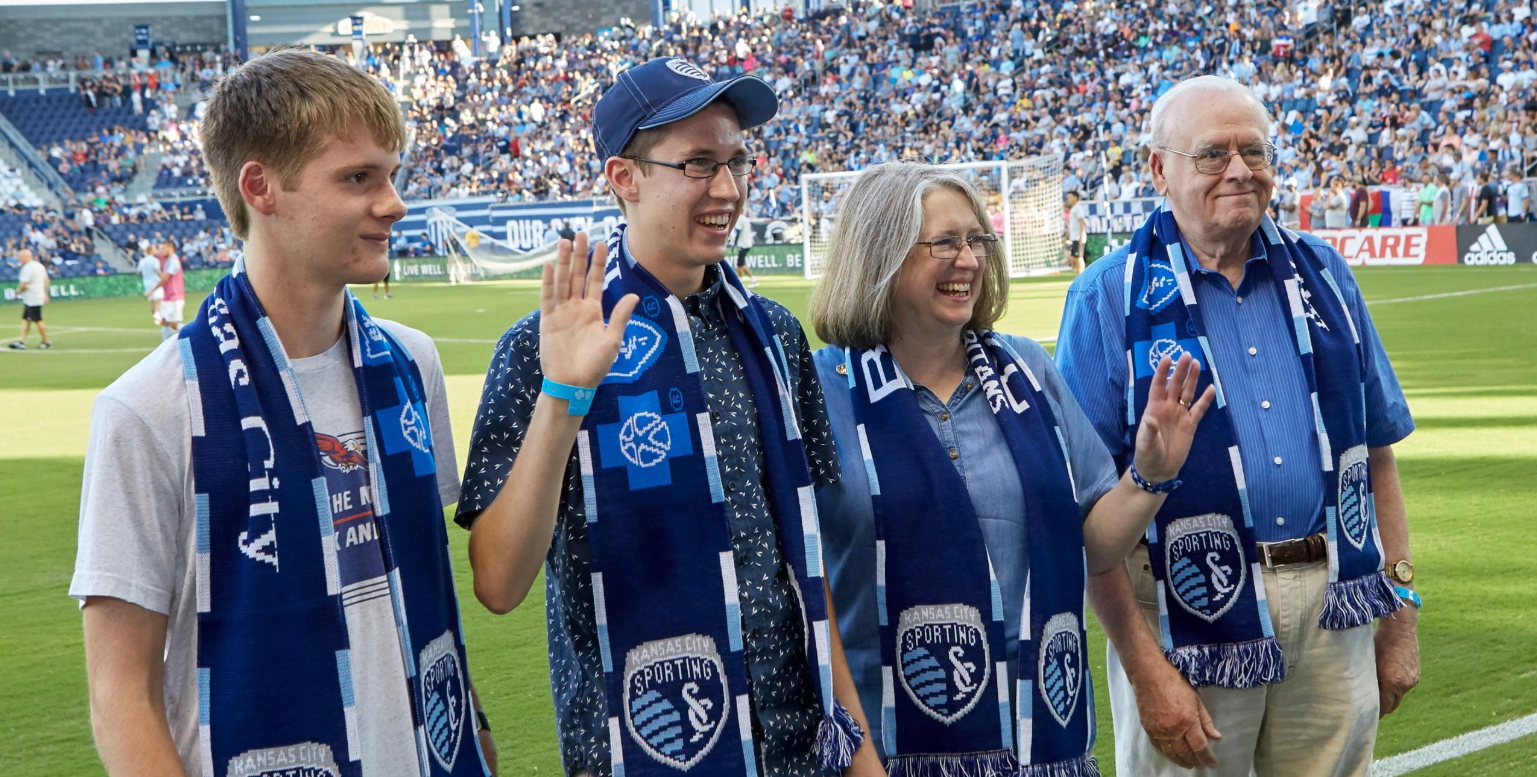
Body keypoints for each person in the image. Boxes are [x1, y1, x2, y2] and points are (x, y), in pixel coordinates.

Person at [71, 48, 496, 777]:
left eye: (392, 175)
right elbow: (120, 694)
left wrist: (475, 732)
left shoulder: (411, 364)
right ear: (261, 187)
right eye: (358, 178)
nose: (393, 202)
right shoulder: (147, 408)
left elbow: (415, 599)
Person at [455, 56, 878, 776]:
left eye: (737, 161)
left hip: (799, 751)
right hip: (638, 748)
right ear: (625, 177)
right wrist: (563, 396)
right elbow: (498, 582)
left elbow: (801, 561)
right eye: (699, 164)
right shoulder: (538, 347)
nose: (729, 189)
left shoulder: (773, 334)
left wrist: (860, 749)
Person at [1056, 75, 1419, 777]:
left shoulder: (1324, 275)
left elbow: (1377, 456)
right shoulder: (1105, 297)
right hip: (1177, 616)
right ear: (1158, 168)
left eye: (1253, 151)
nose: (1238, 170)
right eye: (1211, 154)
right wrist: (1143, 669)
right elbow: (1082, 515)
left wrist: (1399, 611)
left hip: (1331, 603)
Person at [810, 161, 1213, 774]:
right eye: (945, 242)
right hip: (886, 745)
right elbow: (808, 595)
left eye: (978, 240)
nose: (968, 259)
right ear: (881, 254)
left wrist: (1149, 474)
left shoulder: (1027, 371)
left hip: (1038, 737)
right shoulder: (820, 390)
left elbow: (1096, 546)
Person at [9, 248, 51, 350]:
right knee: (26, 320)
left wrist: (16, 293)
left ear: (26, 257)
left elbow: (24, 285)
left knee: (37, 319)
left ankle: (46, 341)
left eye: (20, 257)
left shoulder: (27, 269)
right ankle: (22, 341)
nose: (19, 259)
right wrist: (45, 292)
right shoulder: (39, 266)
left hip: (32, 298)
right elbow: (46, 279)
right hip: (37, 296)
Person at [144, 240, 186, 340]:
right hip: (169, 297)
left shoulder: (174, 261)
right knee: (164, 322)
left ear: (170, 248)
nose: (160, 251)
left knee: (173, 324)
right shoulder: (169, 260)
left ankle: (196, 333)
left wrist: (152, 290)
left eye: (163, 249)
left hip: (175, 297)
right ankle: (165, 346)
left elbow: (165, 278)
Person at [733, 209, 759, 287]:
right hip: (747, 243)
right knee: (741, 264)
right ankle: (753, 280)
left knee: (740, 264)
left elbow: (738, 231)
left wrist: (735, 244)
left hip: (743, 244)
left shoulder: (739, 219)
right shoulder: (745, 219)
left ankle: (740, 282)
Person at [138, 246, 164, 321]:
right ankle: (157, 315)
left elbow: (138, 273)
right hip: (155, 282)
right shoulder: (155, 260)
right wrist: (163, 277)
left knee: (152, 302)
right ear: (152, 251)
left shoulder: (142, 261)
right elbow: (157, 271)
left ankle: (155, 317)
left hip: (146, 283)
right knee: (159, 300)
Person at [1066, 190, 1088, 271]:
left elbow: (1082, 222)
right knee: (1075, 257)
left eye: (1070, 197)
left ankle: (1082, 275)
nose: (1068, 199)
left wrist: (1082, 235)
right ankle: (1080, 273)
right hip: (1074, 236)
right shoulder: (1074, 208)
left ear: (1075, 197)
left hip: (1078, 237)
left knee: (1079, 257)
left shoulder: (1078, 208)